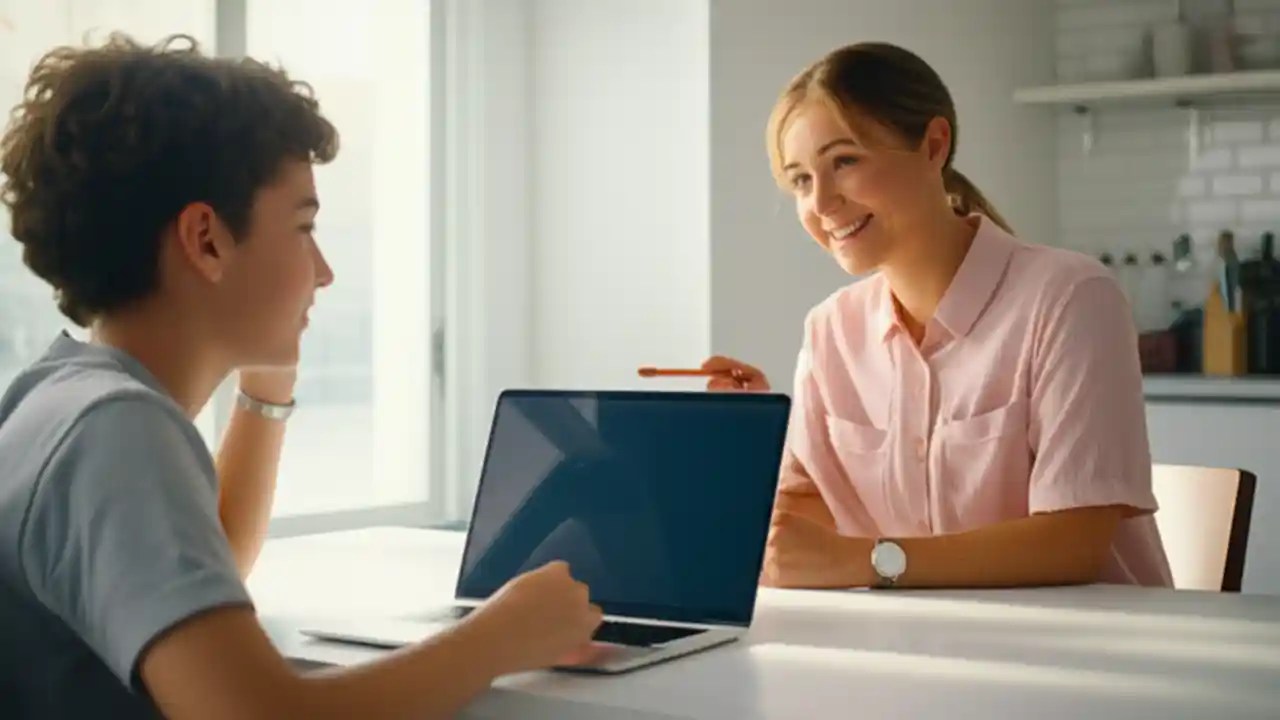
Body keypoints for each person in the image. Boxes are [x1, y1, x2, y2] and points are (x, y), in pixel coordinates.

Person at [0, 34, 601, 719]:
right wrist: (501, 635)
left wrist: (269, 379)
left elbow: (209, 559)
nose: (323, 272)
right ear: (205, 240)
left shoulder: (56, 400)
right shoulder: (115, 429)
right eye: (303, 227)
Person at [703, 42, 1172, 590]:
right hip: (931, 646)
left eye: (844, 161)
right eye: (802, 180)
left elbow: (1073, 543)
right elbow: (805, 525)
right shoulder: (831, 331)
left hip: (1099, 656)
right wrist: (743, 449)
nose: (822, 203)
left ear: (933, 145)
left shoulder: (1070, 298)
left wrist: (869, 563)